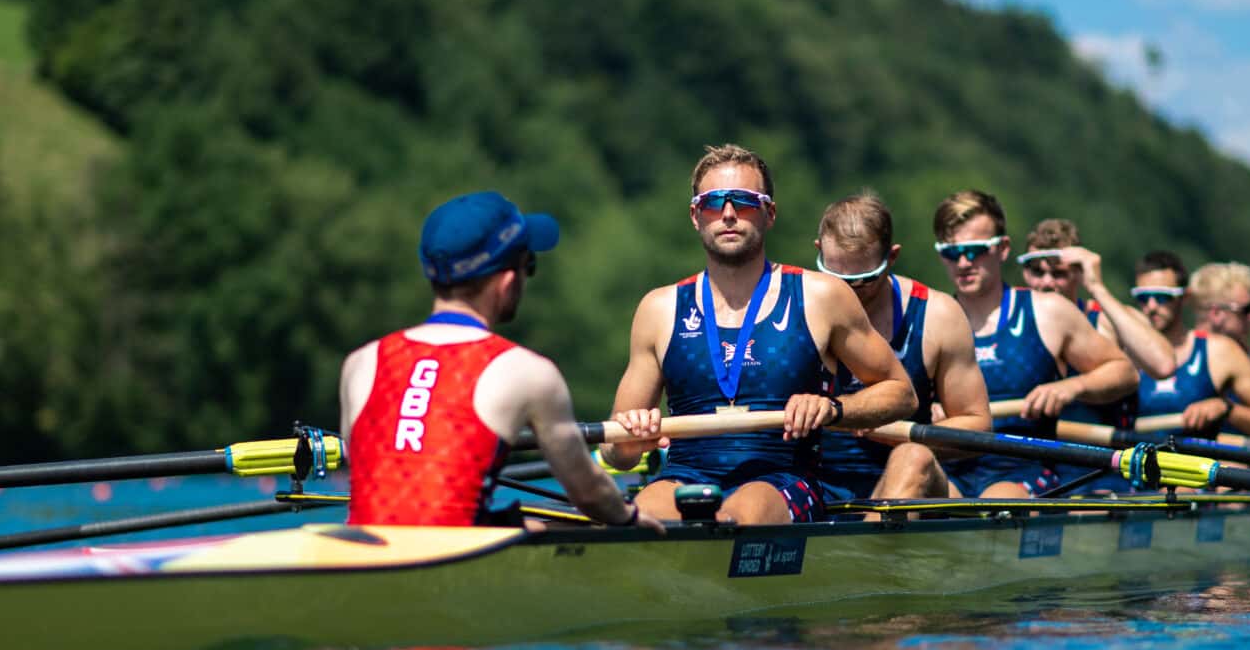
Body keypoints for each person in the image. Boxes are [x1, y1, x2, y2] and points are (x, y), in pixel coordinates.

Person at [602, 145, 916, 525]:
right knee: (640, 518)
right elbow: (617, 453)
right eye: (714, 202)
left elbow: (901, 392)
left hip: (784, 480)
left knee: (743, 516)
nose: (729, 214)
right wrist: (632, 439)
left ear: (769, 213)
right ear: (695, 216)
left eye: (746, 202)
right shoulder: (659, 309)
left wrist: (833, 408)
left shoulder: (821, 297)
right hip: (683, 477)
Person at [339, 191, 663, 531]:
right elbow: (589, 493)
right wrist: (632, 518)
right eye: (529, 267)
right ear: (507, 282)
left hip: (364, 557)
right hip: (453, 566)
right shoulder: (527, 371)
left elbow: (390, 489)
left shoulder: (361, 362)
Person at [932, 189, 1137, 498]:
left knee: (995, 501)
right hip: (951, 469)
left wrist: (1071, 387)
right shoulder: (932, 319)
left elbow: (1124, 372)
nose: (962, 263)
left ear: (1002, 249)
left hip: (1023, 470)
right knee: (909, 480)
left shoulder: (1048, 311)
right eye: (951, 252)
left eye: (974, 250)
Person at [809, 191, 992, 505]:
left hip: (909, 479)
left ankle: (870, 547)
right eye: (837, 276)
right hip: (816, 482)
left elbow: (978, 427)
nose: (848, 290)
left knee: (912, 458)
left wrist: (891, 429)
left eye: (864, 279)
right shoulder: (793, 306)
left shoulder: (938, 315)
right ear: (819, 252)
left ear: (891, 257)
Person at [1131, 251, 1250, 440]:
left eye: (1162, 296)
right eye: (1143, 297)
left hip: (1194, 466)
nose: (1151, 306)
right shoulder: (1124, 348)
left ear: (1185, 297)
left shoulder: (1223, 352)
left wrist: (1226, 408)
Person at [1018, 218, 1178, 382]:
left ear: (1078, 272)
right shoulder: (1012, 321)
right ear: (1025, 273)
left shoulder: (1104, 320)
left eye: (1058, 274)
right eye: (1037, 272)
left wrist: (1097, 287)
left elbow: (1163, 364)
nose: (1046, 282)